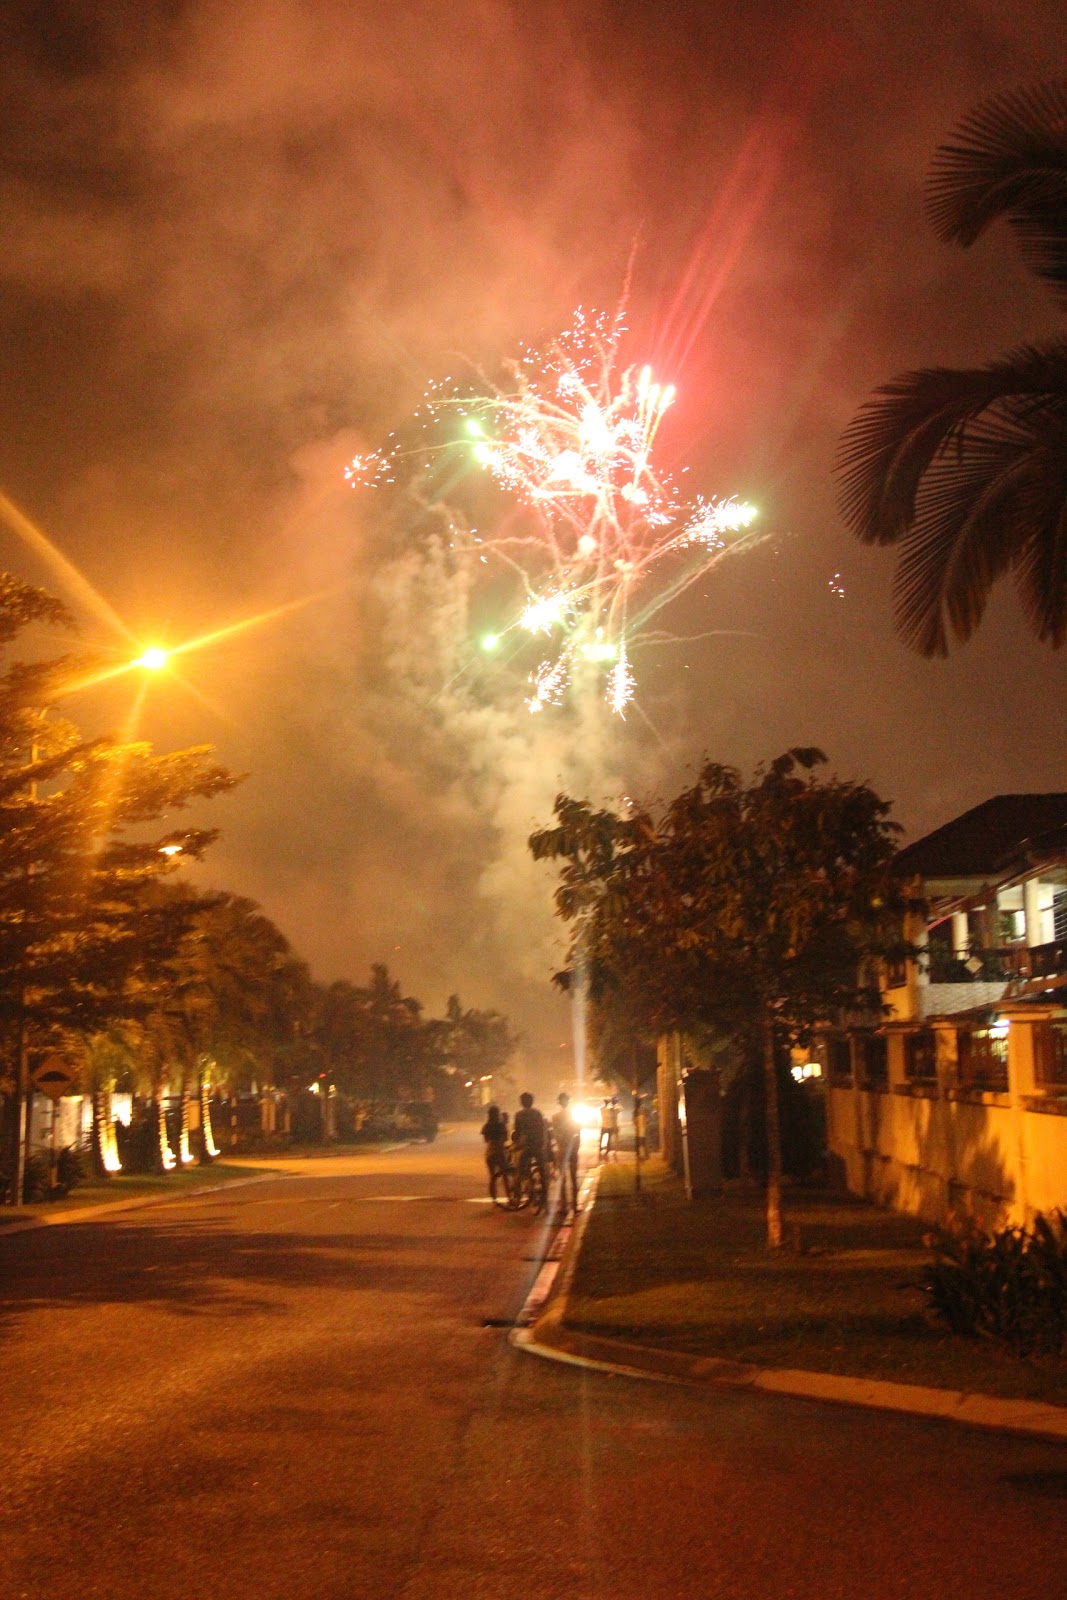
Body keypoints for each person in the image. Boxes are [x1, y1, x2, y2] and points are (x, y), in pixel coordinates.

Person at [511, 1092, 549, 1201]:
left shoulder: (519, 1115)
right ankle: (545, 1194)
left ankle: (517, 1195)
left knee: (520, 1169)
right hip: (537, 1145)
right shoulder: (537, 1113)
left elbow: (517, 1132)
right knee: (542, 1169)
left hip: (526, 1146)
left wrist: (515, 1145)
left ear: (521, 1103)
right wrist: (543, 1143)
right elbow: (542, 1129)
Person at [550, 1092, 581, 1214]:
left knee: (563, 1179)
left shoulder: (555, 1117)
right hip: (572, 1148)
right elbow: (577, 1133)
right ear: (568, 1102)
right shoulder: (573, 1116)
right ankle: (575, 1204)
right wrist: (576, 1147)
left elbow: (555, 1134)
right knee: (574, 1177)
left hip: (562, 1149)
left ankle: (564, 1206)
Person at [480, 1104, 509, 1192]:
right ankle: (509, 1196)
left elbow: (486, 1140)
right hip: (500, 1152)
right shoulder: (502, 1125)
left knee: (492, 1176)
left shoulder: (486, 1126)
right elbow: (505, 1139)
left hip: (490, 1152)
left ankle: (494, 1197)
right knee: (505, 1176)